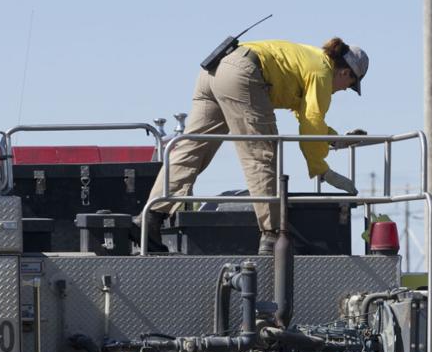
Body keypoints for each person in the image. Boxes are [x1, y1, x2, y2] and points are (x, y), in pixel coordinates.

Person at [145, 37, 368, 254]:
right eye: (348, 86)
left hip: (214, 70)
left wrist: (335, 139)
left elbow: (307, 118)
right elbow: (312, 121)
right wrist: (321, 168)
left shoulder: (310, 59)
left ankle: (150, 218)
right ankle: (271, 236)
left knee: (192, 149)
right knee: (262, 152)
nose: (342, 90)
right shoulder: (323, 73)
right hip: (243, 73)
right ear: (345, 72)